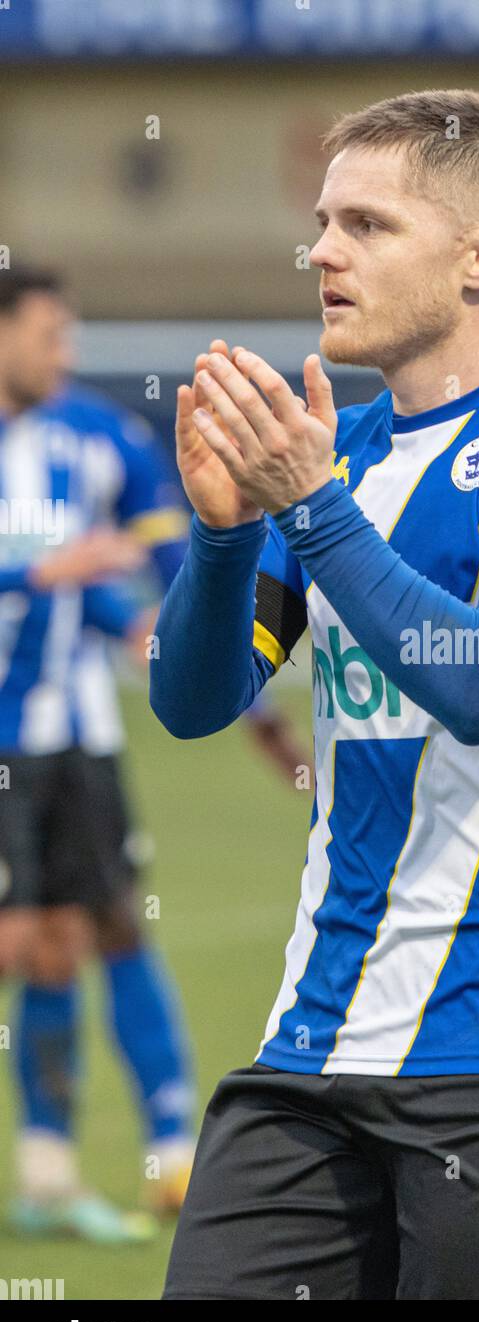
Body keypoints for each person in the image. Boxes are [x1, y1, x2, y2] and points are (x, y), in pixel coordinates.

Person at [152, 88, 479, 1300]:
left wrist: (309, 504)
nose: (323, 251)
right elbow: (193, 698)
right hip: (316, 1041)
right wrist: (227, 536)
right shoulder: (343, 453)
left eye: (369, 226)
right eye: (324, 222)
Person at [0, 266, 196, 1240]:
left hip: (79, 735)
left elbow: (148, 566)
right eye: (48, 336)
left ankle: (134, 1160)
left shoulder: (104, 437)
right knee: (19, 945)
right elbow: (54, 573)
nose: (64, 356)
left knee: (90, 930)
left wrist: (144, 624)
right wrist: (36, 569)